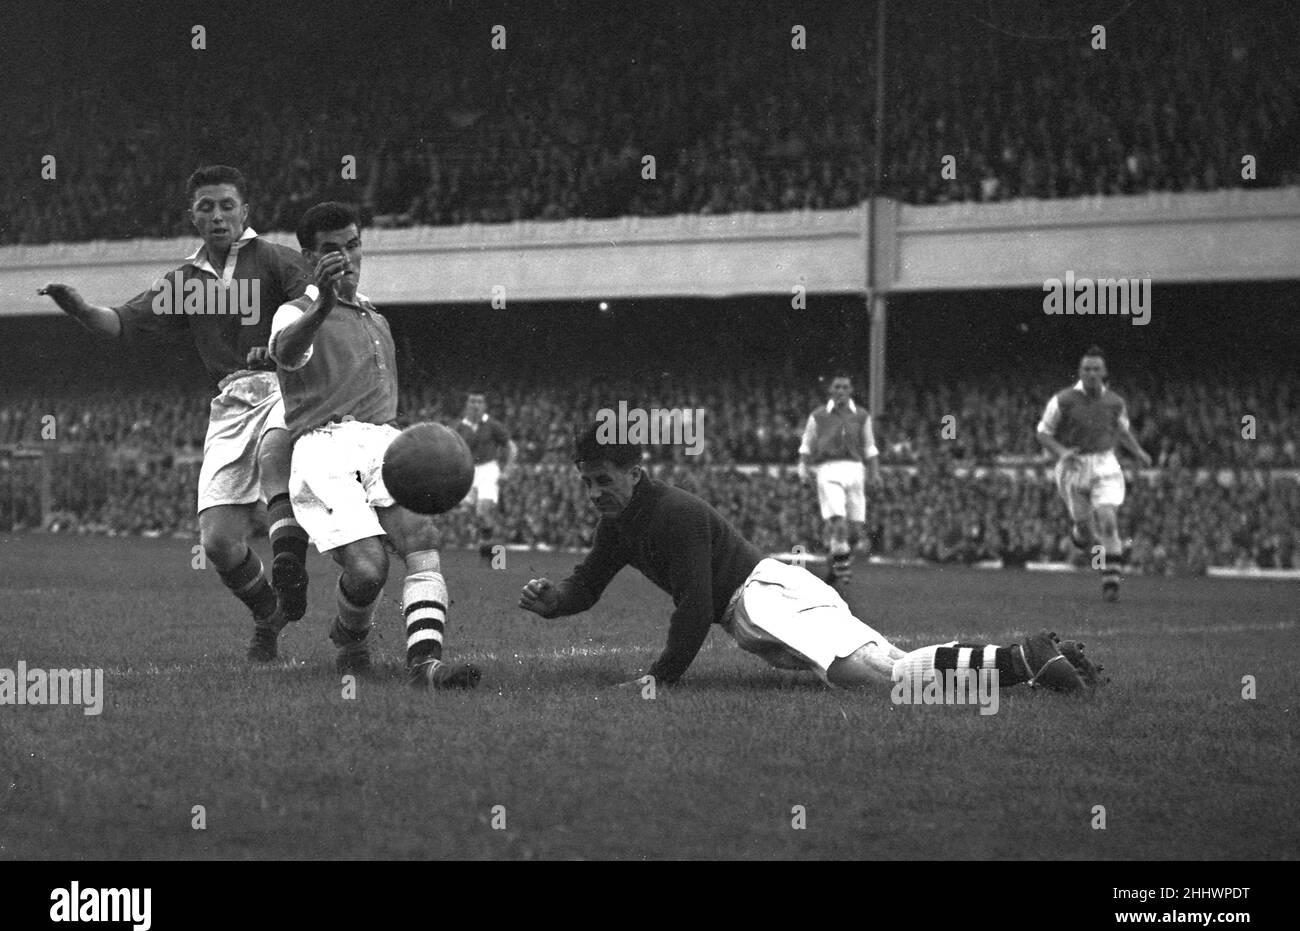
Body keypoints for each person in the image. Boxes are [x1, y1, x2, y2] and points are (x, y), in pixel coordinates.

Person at [519, 423, 1100, 693]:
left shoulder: (674, 513)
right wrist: (555, 601)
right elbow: (587, 585)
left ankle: (1025, 659)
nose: (595, 494)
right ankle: (1034, 661)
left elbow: (696, 607)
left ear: (635, 473)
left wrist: (657, 679)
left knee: (875, 679)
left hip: (763, 598)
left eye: (603, 480)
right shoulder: (617, 524)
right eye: (587, 483)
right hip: (768, 598)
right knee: (893, 666)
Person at [38, 165, 312, 660]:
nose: (217, 215)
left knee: (276, 450)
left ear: (245, 211)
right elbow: (119, 324)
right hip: (229, 404)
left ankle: (290, 558)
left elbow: (318, 310)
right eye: (206, 207)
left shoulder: (275, 259)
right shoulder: (185, 282)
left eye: (227, 204)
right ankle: (269, 612)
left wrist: (281, 345)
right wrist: (79, 309)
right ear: (193, 216)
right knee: (219, 544)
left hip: (284, 386)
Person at [269, 202, 479, 689]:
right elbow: (286, 353)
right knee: (368, 570)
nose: (345, 256)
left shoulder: (375, 317)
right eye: (330, 249)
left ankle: (426, 665)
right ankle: (349, 637)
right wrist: (321, 302)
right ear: (308, 258)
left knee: (423, 543)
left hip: (384, 444)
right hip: (323, 447)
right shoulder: (295, 310)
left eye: (353, 244)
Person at [1036, 346, 1152, 601]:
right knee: (1085, 529)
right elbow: (1043, 432)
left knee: (1108, 522)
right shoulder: (1063, 400)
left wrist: (1139, 452)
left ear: (1104, 372)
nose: (1091, 373)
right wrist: (1061, 452)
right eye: (1087, 369)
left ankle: (1111, 584)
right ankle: (1079, 536)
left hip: (1105, 464)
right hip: (1074, 466)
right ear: (1080, 371)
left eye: (1096, 369)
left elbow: (1122, 432)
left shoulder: (1115, 402)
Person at [798, 373, 882, 585]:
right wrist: (803, 468)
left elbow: (870, 447)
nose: (841, 391)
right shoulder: (818, 416)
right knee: (839, 522)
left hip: (855, 469)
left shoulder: (861, 415)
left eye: (845, 387)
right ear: (831, 390)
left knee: (854, 529)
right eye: (837, 387)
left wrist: (875, 473)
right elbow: (807, 445)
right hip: (828, 469)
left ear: (850, 390)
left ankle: (834, 563)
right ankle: (843, 571)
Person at [452, 392, 516, 560]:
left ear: (484, 406)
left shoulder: (492, 425)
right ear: (467, 404)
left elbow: (511, 447)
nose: (476, 405)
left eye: (479, 402)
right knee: (464, 513)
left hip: (488, 469)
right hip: (468, 472)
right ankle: (486, 544)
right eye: (472, 401)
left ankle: (494, 555)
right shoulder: (459, 428)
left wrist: (507, 470)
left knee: (482, 510)